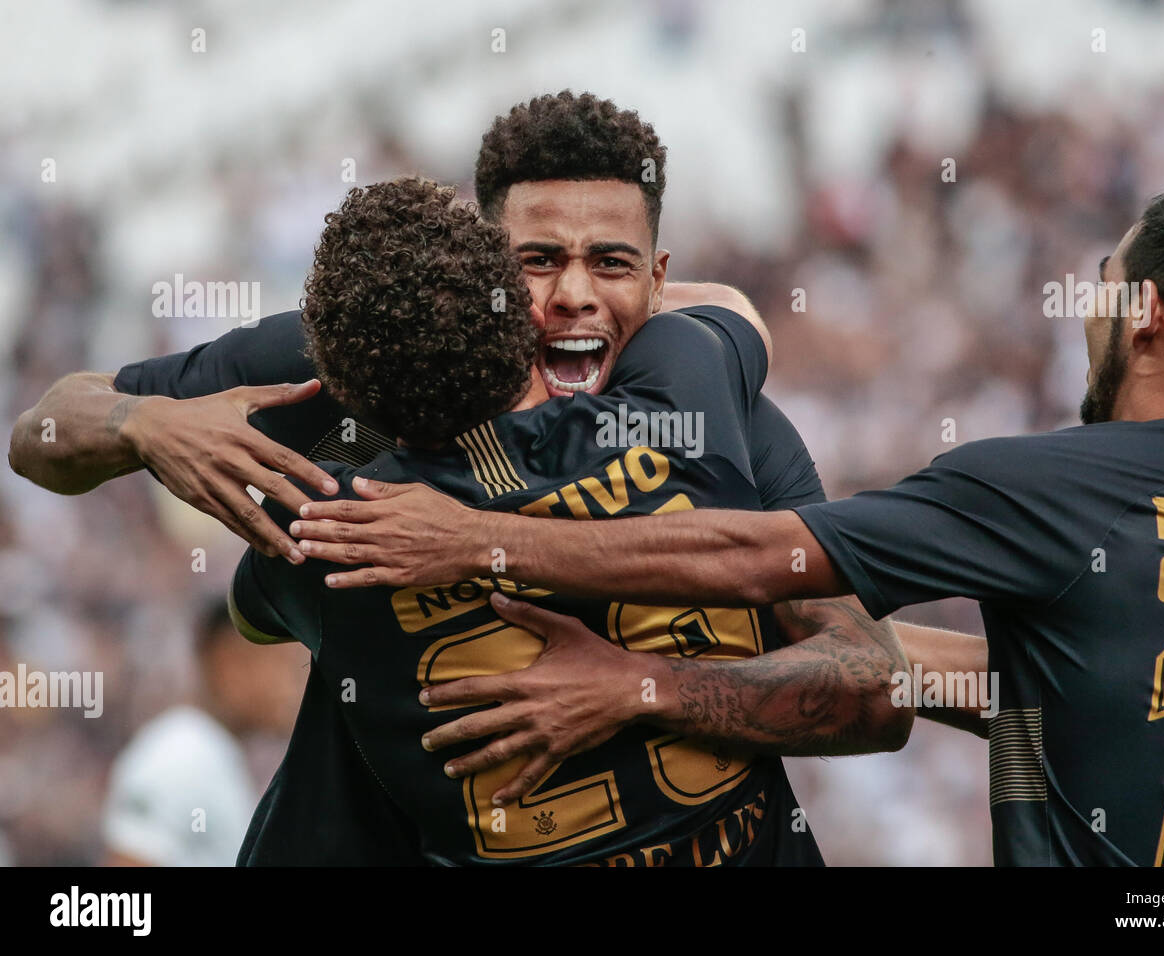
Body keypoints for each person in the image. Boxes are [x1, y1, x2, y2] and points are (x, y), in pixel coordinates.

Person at [10, 92, 919, 863]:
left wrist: (624, 676)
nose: (572, 295)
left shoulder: (713, 407)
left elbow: (876, 684)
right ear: (482, 264)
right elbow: (42, 429)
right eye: (536, 261)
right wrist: (145, 419)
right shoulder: (694, 367)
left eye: (611, 262)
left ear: (657, 277)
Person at [295, 184, 1164, 867]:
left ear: (1144, 311)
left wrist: (484, 541)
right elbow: (1085, 696)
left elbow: (754, 557)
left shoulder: (1051, 484)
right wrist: (716, 670)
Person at [231, 175, 860, 865]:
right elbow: (728, 310)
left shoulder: (329, 541)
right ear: (521, 312)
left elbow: (248, 613)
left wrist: (356, 446)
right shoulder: (679, 390)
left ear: (351, 392)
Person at [101, 600, 305, 866]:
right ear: (230, 663)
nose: (294, 686)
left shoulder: (215, 754)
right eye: (284, 664)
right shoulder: (179, 753)